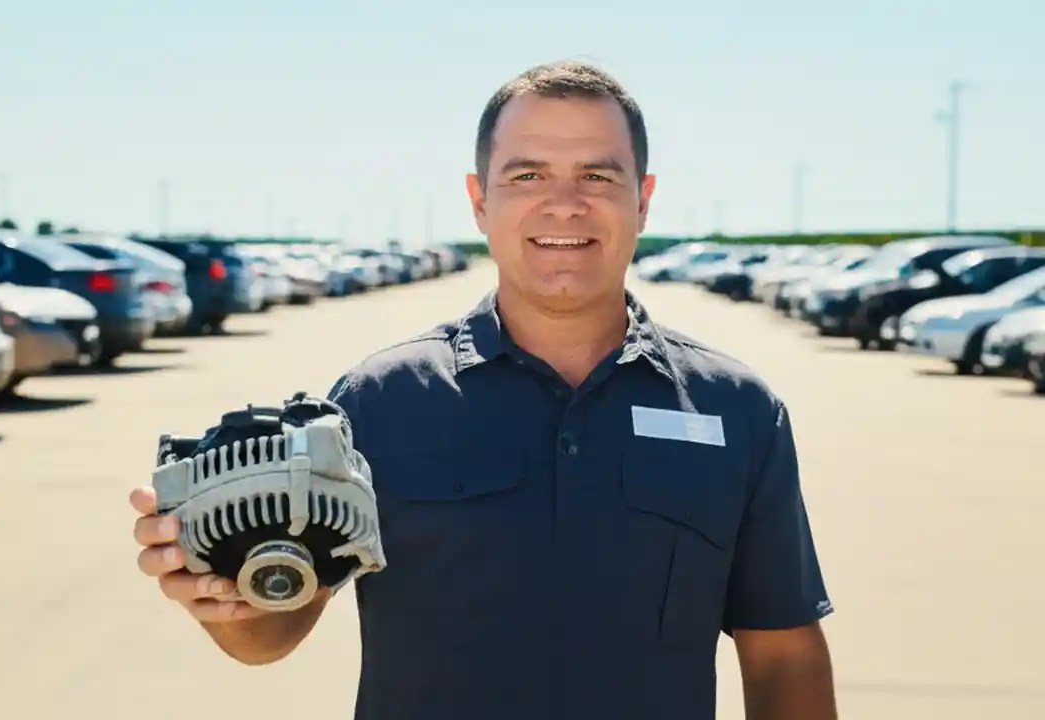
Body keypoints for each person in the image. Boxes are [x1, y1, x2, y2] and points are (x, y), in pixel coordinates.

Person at [129, 60, 838, 720]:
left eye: (597, 175)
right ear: (479, 200)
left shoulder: (736, 410)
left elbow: (783, 654)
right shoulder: (377, 403)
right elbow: (272, 636)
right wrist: (225, 601)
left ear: (643, 200)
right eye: (527, 175)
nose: (564, 205)